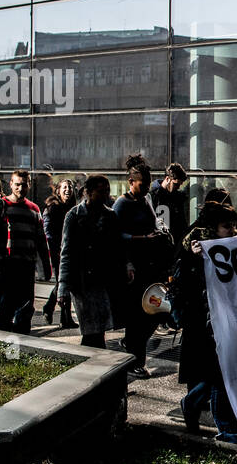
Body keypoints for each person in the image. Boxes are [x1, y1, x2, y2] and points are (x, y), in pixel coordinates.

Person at [173, 200, 237, 444]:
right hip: (205, 324)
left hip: (229, 320)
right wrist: (195, 260)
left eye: (234, 226)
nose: (233, 231)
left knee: (219, 373)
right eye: (226, 227)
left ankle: (191, 402)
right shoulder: (194, 252)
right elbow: (184, 287)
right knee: (220, 374)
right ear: (213, 229)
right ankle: (228, 430)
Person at [114, 161, 169, 376]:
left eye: (147, 184)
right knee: (138, 316)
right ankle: (136, 360)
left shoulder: (145, 201)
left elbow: (154, 223)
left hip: (150, 265)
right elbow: (117, 236)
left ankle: (132, 345)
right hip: (133, 268)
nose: (147, 188)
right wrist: (142, 238)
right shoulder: (122, 204)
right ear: (131, 182)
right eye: (142, 184)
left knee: (153, 312)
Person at [58, 175, 126, 349]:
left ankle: (92, 365)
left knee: (98, 330)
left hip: (103, 280)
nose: (105, 195)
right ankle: (91, 366)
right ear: (87, 192)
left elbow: (117, 248)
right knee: (91, 330)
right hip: (82, 282)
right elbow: (66, 252)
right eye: (100, 191)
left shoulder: (110, 216)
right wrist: (63, 287)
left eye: (106, 191)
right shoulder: (74, 216)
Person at [0, 169, 51, 334]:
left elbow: (41, 240)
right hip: (7, 264)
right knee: (7, 306)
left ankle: (22, 342)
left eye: (24, 185)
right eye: (17, 184)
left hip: (26, 264)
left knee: (26, 308)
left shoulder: (34, 209)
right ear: (11, 184)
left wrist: (45, 267)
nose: (21, 188)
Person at [41, 177, 78, 329]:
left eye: (70, 187)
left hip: (70, 251)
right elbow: (48, 233)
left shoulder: (74, 208)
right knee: (63, 283)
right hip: (58, 252)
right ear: (58, 190)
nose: (67, 190)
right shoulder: (52, 207)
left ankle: (49, 307)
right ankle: (65, 318)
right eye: (64, 187)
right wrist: (55, 250)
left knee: (62, 283)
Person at [151, 162, 190, 243]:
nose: (178, 187)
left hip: (174, 238)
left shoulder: (178, 197)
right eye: (176, 184)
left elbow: (181, 221)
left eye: (180, 185)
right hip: (159, 239)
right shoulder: (153, 195)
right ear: (167, 179)